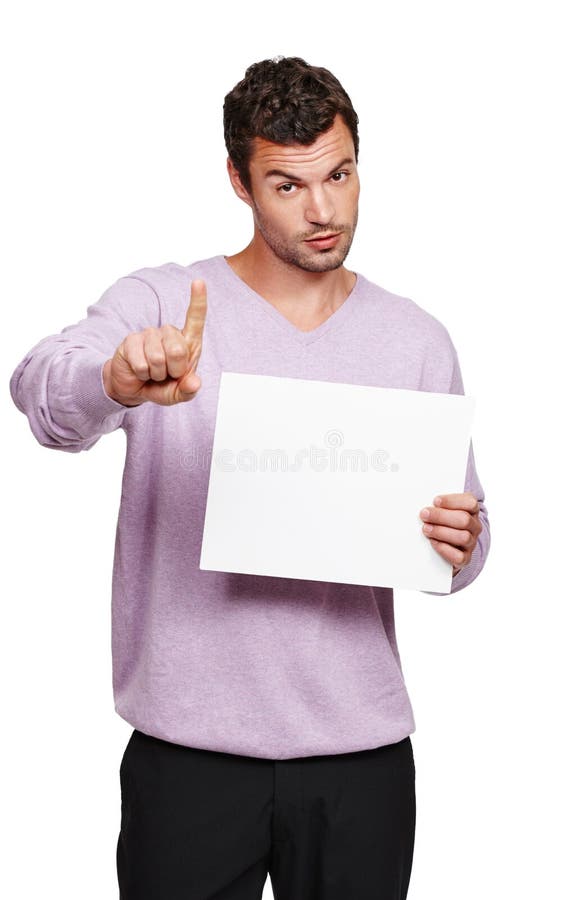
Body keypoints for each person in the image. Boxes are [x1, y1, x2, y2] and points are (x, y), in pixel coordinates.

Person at [9, 55, 490, 900]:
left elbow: (460, 549)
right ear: (238, 181)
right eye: (287, 185)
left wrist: (463, 544)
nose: (323, 210)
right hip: (188, 760)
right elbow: (43, 393)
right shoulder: (165, 303)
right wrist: (115, 381)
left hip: (361, 758)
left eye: (339, 175)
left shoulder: (415, 338)